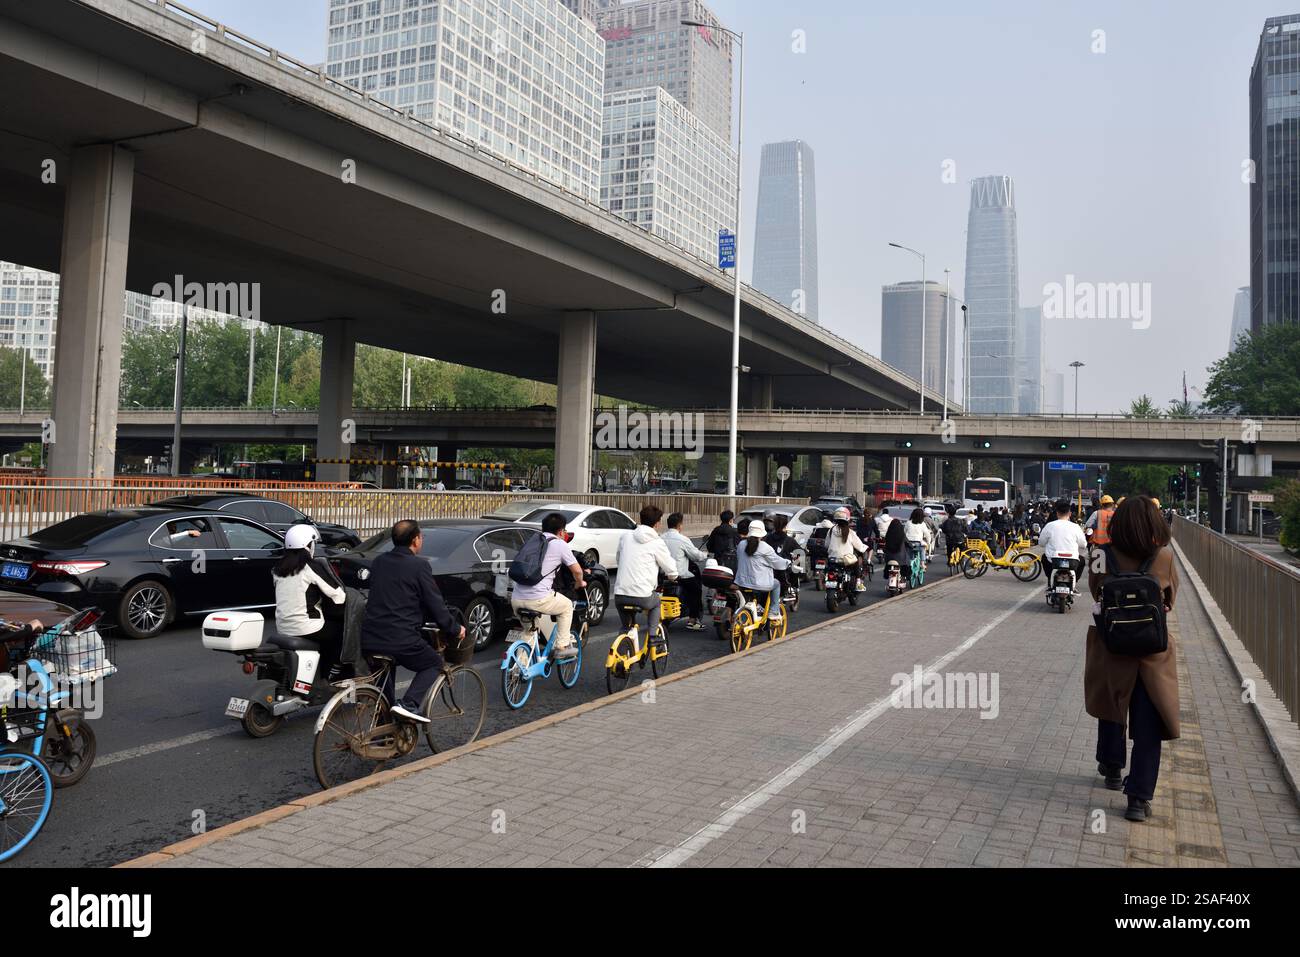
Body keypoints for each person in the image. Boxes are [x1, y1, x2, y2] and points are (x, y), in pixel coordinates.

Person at [1085, 496, 1180, 822]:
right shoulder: (1165, 557)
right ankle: (1138, 799)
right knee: (1148, 724)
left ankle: (1112, 768)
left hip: (1112, 647)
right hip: (1151, 653)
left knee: (1112, 706)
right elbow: (1170, 600)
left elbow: (1096, 591)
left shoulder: (1099, 554)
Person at [360, 520, 466, 724]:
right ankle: (409, 703)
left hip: (370, 638)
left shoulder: (380, 561)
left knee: (385, 696)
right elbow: (435, 603)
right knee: (434, 663)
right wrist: (454, 628)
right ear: (415, 539)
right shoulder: (419, 565)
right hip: (399, 638)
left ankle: (385, 736)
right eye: (421, 537)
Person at [273, 524, 348, 681]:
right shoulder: (310, 567)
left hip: (283, 626)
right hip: (307, 627)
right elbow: (338, 596)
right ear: (309, 544)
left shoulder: (278, 569)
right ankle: (329, 674)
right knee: (342, 631)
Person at [511, 513, 585, 659]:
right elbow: (577, 570)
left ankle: (519, 670)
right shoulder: (559, 544)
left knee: (529, 632)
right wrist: (579, 582)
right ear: (561, 531)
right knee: (567, 606)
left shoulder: (533, 540)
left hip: (516, 598)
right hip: (538, 598)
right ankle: (561, 646)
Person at [612, 505, 678, 637]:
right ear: (658, 523)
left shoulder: (625, 537)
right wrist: (673, 576)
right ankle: (653, 636)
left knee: (626, 627)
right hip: (643, 596)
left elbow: (619, 559)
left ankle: (625, 638)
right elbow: (671, 569)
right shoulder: (657, 542)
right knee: (656, 603)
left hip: (619, 595)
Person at [736, 523, 791, 622]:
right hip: (760, 584)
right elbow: (778, 563)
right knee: (777, 584)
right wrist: (788, 563)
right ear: (762, 534)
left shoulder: (741, 544)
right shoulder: (765, 547)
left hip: (742, 583)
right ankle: (773, 611)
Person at [663, 512, 708, 631]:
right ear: (679, 525)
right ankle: (693, 620)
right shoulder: (682, 539)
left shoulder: (661, 538)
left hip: (662, 575)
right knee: (696, 591)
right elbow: (696, 555)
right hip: (680, 575)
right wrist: (704, 555)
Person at [1038, 498, 1088, 591]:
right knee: (1082, 561)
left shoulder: (1050, 525)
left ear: (1057, 513)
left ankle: (1051, 579)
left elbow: (1041, 543)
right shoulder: (1076, 527)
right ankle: (1074, 582)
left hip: (1053, 560)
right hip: (1072, 561)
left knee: (1044, 558)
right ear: (1069, 514)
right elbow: (1083, 545)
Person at [826, 506, 868, 594]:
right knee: (856, 563)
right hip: (847, 560)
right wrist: (865, 548)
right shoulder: (850, 532)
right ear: (848, 519)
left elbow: (826, 544)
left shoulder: (830, 530)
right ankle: (858, 583)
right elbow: (859, 546)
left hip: (832, 559)